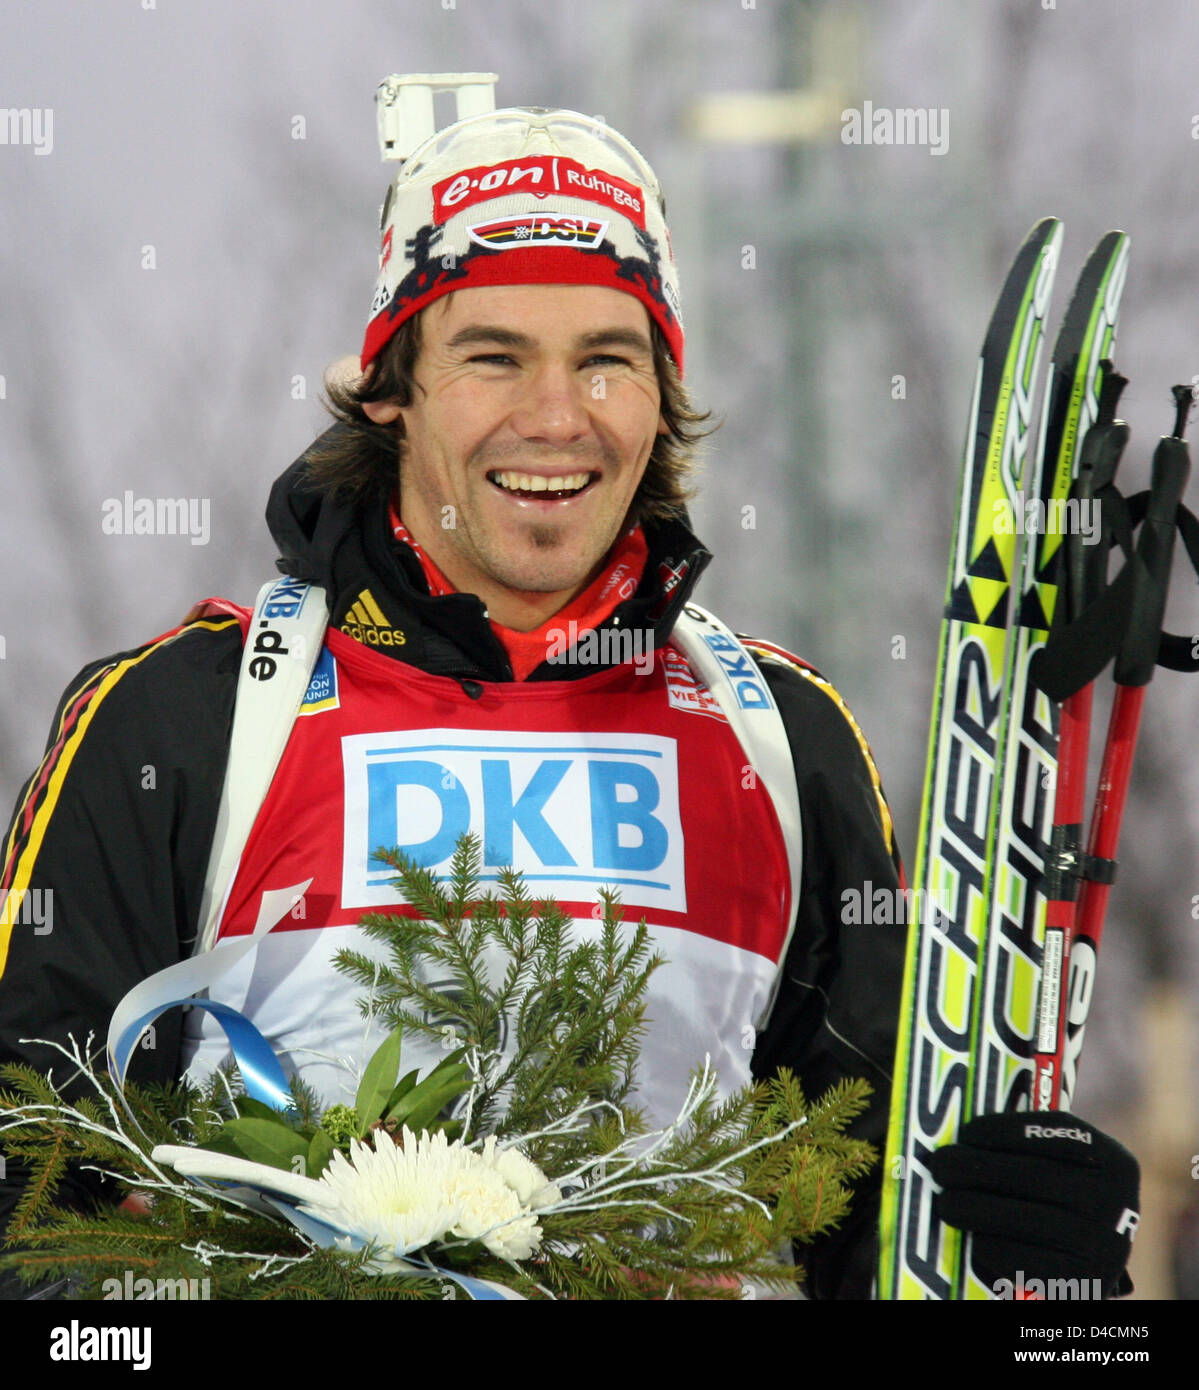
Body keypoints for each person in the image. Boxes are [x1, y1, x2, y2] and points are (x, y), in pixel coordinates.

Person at [0, 83, 1137, 1301]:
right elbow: (32, 1221)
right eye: (492, 357)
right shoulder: (185, 722)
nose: (555, 417)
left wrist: (1040, 1257)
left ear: (661, 400)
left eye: (607, 361)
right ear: (391, 392)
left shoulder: (777, 737)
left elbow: (873, 1227)